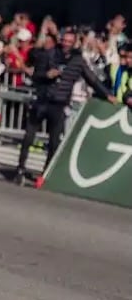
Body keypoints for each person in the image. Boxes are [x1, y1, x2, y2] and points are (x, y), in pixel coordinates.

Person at [14, 29, 117, 186]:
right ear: (60, 40)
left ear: (74, 42)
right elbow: (35, 75)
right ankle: (20, 169)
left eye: (70, 41)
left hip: (59, 104)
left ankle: (45, 175)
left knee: (54, 142)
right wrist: (46, 75)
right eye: (64, 41)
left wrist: (107, 94)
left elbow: (92, 80)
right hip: (43, 100)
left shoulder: (78, 60)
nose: (66, 44)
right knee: (28, 137)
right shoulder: (48, 54)